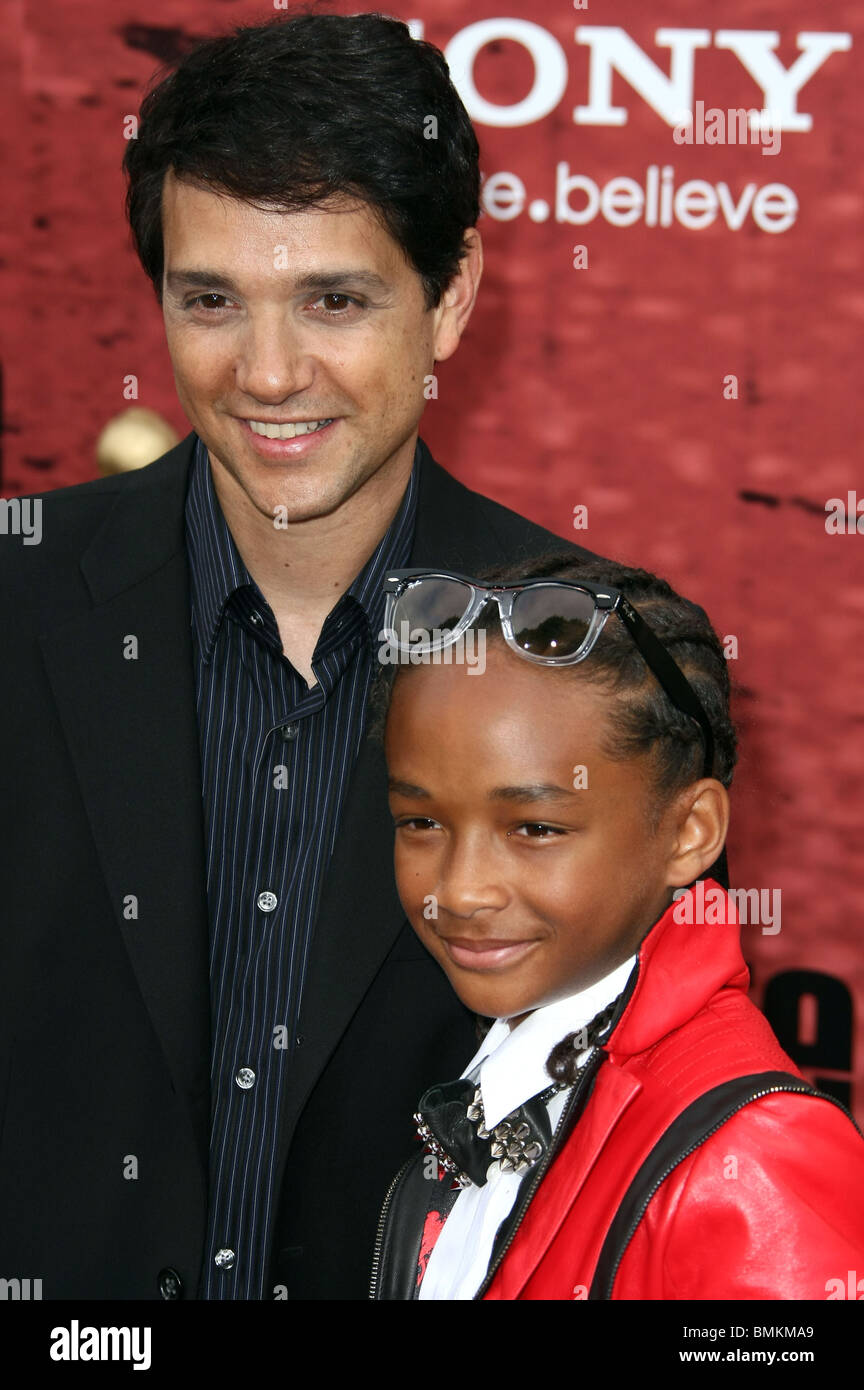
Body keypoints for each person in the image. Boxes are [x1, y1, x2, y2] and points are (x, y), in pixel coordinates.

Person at [0, 12, 601, 1300]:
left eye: (334, 299)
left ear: (451, 298)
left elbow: (645, 1136)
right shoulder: (17, 599)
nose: (267, 374)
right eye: (211, 299)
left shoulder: (592, 658)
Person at [371, 553, 864, 1299]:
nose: (461, 890)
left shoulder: (752, 1159)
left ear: (690, 832)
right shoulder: (494, 1085)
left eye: (535, 827)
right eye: (422, 820)